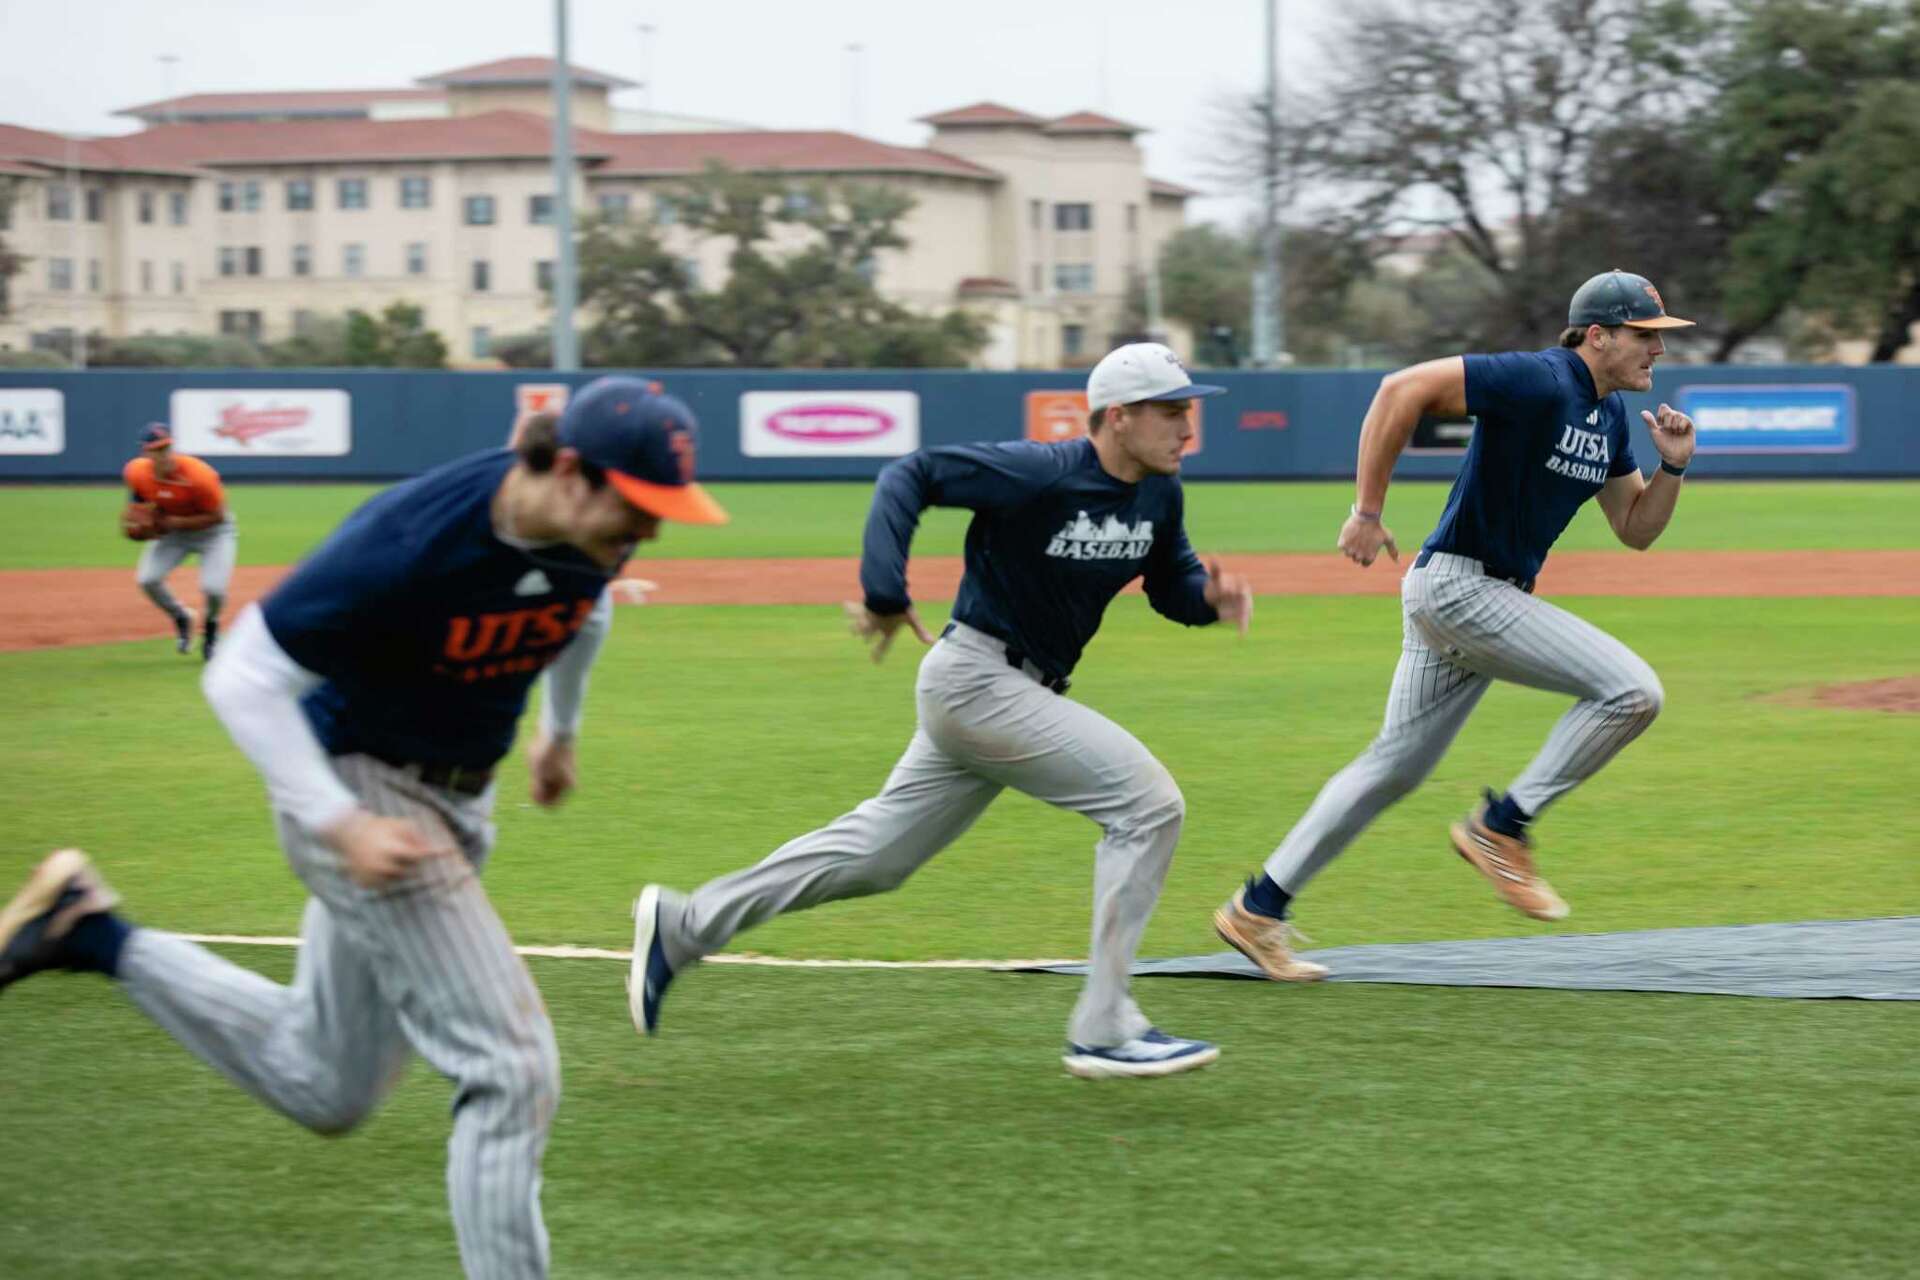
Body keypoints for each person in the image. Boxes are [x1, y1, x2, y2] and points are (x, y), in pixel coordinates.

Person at [0, 377, 727, 1279]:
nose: (649, 531)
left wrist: (560, 734)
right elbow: (242, 675)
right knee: (513, 1069)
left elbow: (587, 609)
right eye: (639, 505)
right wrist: (340, 823)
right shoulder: (411, 540)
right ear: (569, 468)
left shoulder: (593, 537)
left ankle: (87, 929)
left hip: (457, 806)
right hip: (360, 790)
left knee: (323, 1083)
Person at [628, 342, 1254, 1080]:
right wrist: (884, 591)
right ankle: (1106, 1026)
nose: (1189, 428)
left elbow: (1169, 582)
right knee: (1149, 806)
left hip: (1008, 696)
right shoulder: (1041, 472)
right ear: (1118, 417)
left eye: (1190, 410)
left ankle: (685, 925)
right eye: (1173, 410)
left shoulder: (1159, 494)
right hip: (977, 682)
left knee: (877, 859)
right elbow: (910, 475)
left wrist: (1207, 601)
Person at [1212, 270, 1699, 983]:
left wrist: (1673, 470)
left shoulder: (1607, 417)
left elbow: (1635, 528)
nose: (1657, 351)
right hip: (1461, 590)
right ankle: (1502, 826)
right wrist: (1367, 511)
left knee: (1391, 769)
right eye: (1646, 336)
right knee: (1632, 691)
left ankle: (1256, 910)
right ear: (1598, 336)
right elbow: (1399, 391)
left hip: (1468, 598)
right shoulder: (1541, 378)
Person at [123, 423, 236, 660]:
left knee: (213, 589)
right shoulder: (136, 472)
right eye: (157, 449)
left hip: (214, 533)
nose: (163, 454)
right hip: (173, 533)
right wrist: (141, 522)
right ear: (146, 453)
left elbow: (218, 516)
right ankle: (182, 616)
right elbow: (139, 501)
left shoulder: (199, 475)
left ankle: (212, 629)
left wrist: (173, 523)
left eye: (166, 447)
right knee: (147, 579)